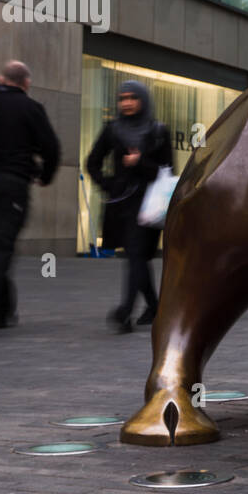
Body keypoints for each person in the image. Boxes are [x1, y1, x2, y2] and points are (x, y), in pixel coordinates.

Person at [0, 60, 60, 338]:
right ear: (26, 83)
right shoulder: (30, 108)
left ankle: (2, 310)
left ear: (0, 79)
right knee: (1, 249)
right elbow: (51, 148)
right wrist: (46, 175)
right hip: (12, 186)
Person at [86, 80, 172, 334]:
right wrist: (108, 184)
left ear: (143, 100)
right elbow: (92, 162)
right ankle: (153, 306)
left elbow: (166, 170)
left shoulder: (158, 130)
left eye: (132, 98)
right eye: (122, 98)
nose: (127, 103)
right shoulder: (112, 129)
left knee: (136, 254)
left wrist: (140, 162)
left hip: (149, 203)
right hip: (121, 203)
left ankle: (125, 312)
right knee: (137, 256)